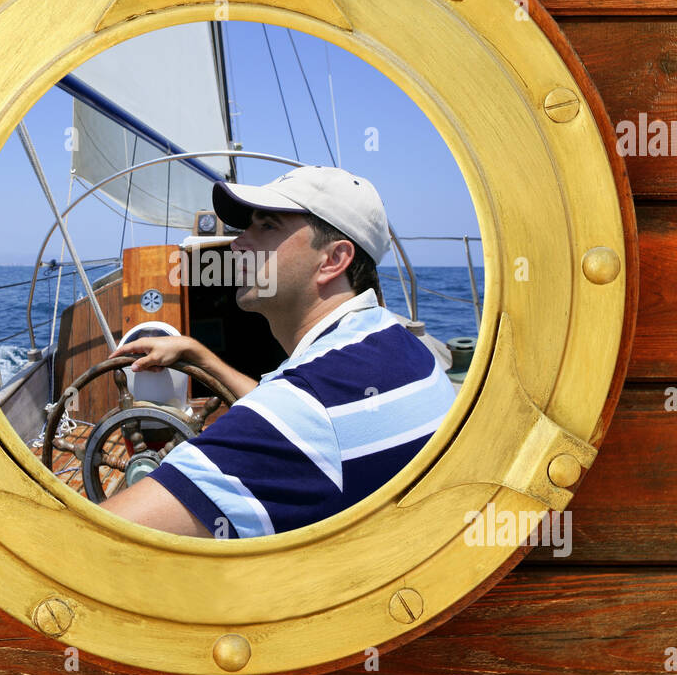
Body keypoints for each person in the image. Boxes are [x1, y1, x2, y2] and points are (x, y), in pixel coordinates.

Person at [100, 165, 456, 538]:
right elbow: (298, 418)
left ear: (333, 259)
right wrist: (199, 355)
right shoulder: (397, 346)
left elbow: (97, 538)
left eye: (267, 226)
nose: (237, 244)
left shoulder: (305, 409)